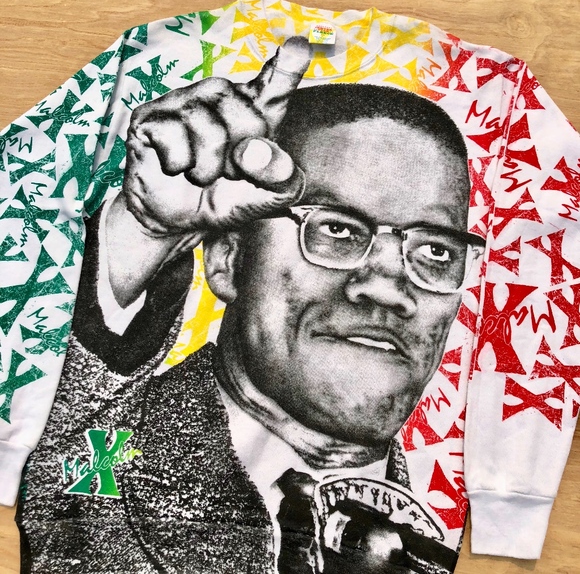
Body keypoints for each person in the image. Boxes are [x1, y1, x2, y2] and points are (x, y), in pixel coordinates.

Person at [17, 39, 483, 574]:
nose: (387, 289)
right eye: (334, 229)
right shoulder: (99, 455)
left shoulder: (456, 534)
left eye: (436, 251)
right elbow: (52, 456)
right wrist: (143, 234)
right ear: (228, 258)